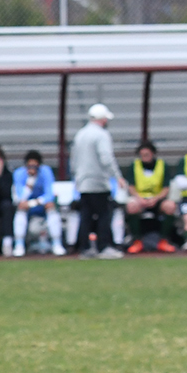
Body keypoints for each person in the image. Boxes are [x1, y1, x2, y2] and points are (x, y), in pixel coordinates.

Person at [71, 103, 121, 259]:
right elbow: (106, 158)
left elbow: (74, 160)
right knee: (104, 214)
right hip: (98, 181)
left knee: (85, 215)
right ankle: (104, 246)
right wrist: (117, 176)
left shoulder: (80, 134)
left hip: (83, 182)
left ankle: (85, 247)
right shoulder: (101, 135)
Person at [123, 140, 177, 253]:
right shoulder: (135, 165)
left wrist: (156, 199)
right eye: (142, 155)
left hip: (157, 199)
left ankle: (163, 241)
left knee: (170, 206)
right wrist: (139, 198)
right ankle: (137, 241)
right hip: (141, 198)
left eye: (147, 155)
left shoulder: (162, 165)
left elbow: (166, 188)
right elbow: (131, 187)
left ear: (153, 154)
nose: (144, 158)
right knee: (131, 206)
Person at [13, 149, 64, 257]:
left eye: (35, 166)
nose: (32, 169)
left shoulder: (46, 171)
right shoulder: (19, 173)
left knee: (51, 205)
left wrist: (33, 203)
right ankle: (19, 244)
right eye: (29, 166)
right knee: (20, 208)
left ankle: (57, 243)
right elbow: (21, 197)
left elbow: (49, 195)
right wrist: (30, 181)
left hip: (40, 205)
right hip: (27, 207)